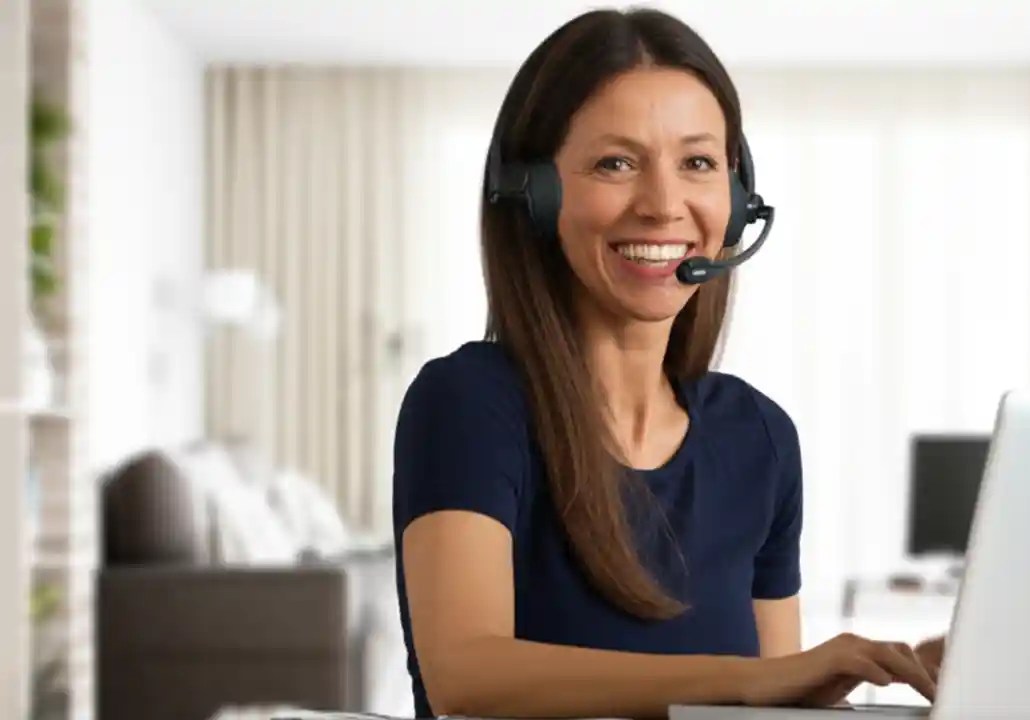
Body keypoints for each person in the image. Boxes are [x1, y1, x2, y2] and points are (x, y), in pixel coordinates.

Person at [393, 8, 945, 719]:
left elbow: (780, 701)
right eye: (616, 163)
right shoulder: (470, 401)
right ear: (533, 194)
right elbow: (466, 674)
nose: (663, 205)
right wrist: (746, 679)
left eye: (698, 163)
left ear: (739, 200)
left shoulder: (760, 436)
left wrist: (919, 681)